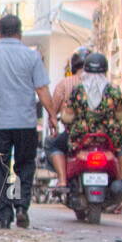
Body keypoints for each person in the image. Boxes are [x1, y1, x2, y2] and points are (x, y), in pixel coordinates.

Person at [0, 14, 59, 228]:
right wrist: (52, 115)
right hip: (25, 123)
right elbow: (42, 89)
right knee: (24, 166)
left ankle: (4, 214)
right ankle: (21, 206)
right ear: (20, 33)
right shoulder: (31, 56)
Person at [64, 51, 122, 152]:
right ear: (105, 70)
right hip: (109, 137)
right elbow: (120, 114)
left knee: (68, 151)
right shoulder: (114, 90)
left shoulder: (77, 90)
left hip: (81, 138)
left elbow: (67, 116)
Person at [44, 48, 88, 186]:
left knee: (51, 144)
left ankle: (62, 179)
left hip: (75, 134)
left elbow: (53, 110)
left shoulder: (65, 83)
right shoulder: (105, 84)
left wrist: (53, 124)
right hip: (102, 134)